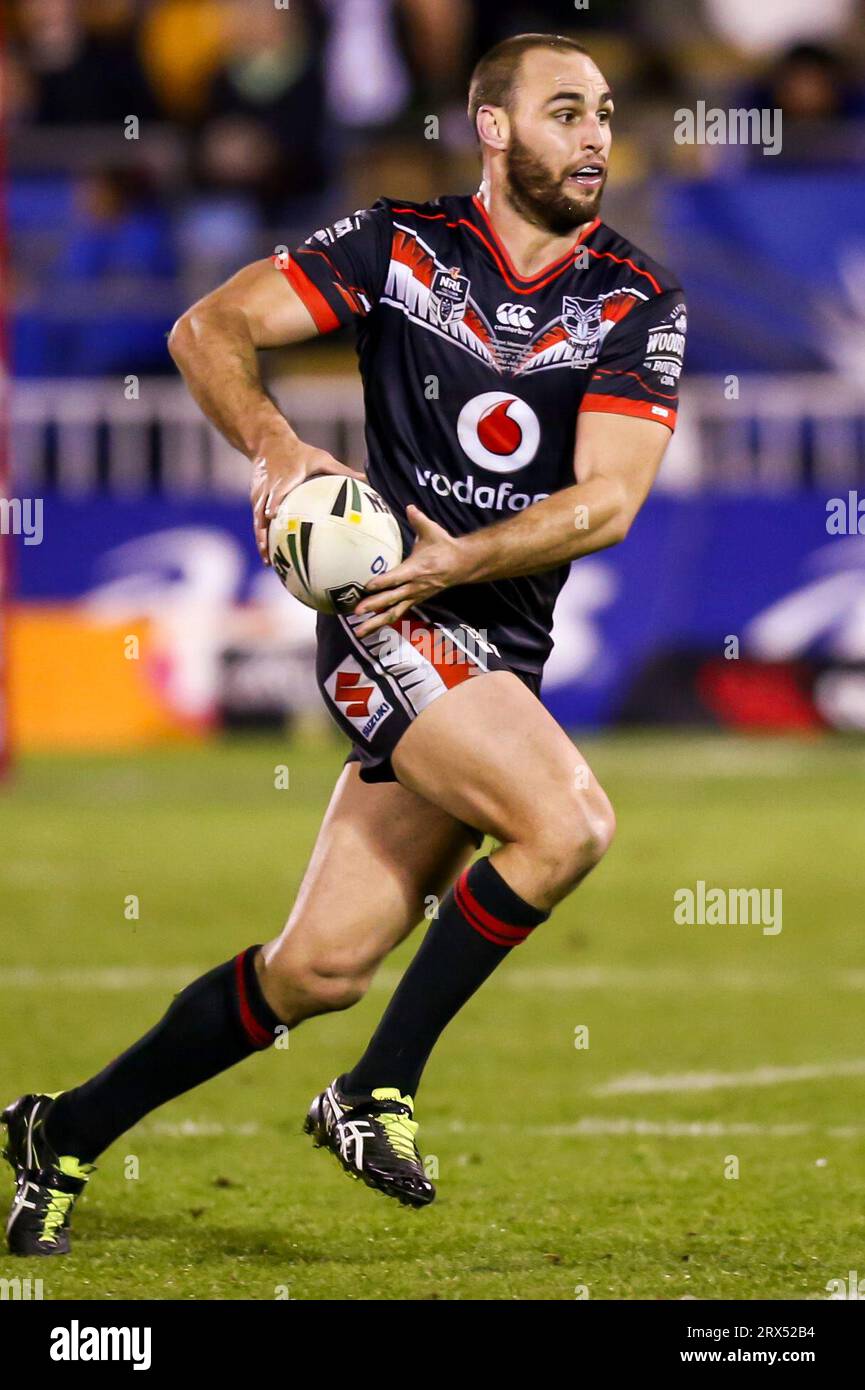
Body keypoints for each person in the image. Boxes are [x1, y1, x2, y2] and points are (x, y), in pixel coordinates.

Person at [3, 32, 687, 1253]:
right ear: (492, 127)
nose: (594, 136)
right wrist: (276, 450)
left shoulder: (637, 298)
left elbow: (611, 500)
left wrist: (466, 555)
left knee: (314, 970)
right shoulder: (398, 246)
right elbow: (208, 329)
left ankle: (59, 1132)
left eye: (603, 114)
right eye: (565, 111)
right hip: (388, 619)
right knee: (567, 821)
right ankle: (376, 1091)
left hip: (490, 640)